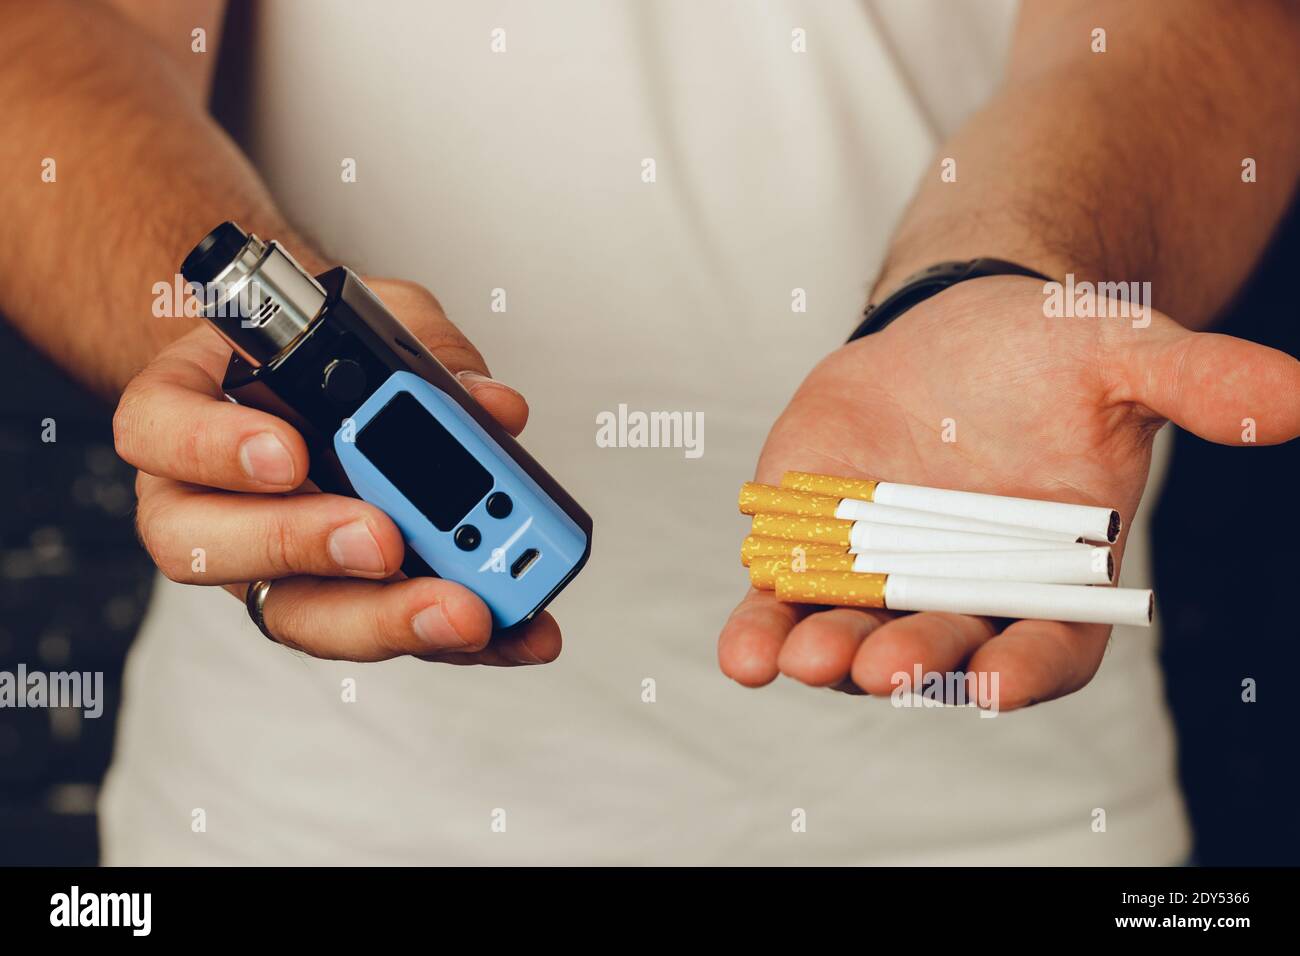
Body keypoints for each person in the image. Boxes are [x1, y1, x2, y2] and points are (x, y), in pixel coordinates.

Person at [3, 0, 1297, 864]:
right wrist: (240, 367)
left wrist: (997, 271)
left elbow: (1214, 30)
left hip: (1003, 811)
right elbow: (63, 39)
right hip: (306, 817)